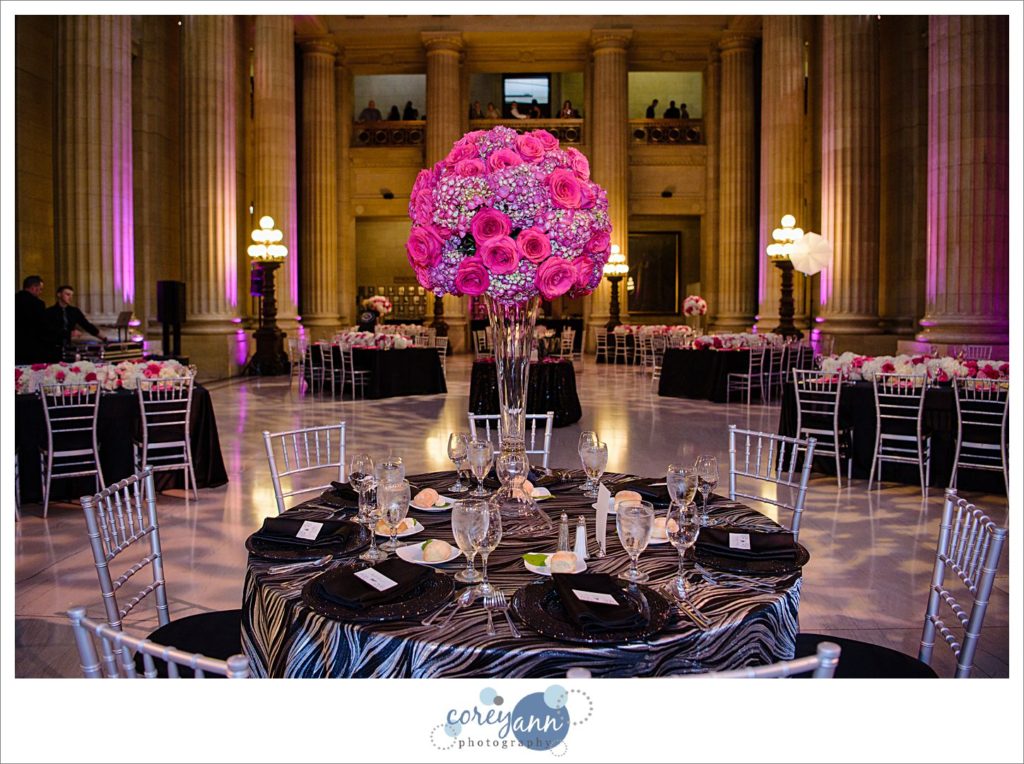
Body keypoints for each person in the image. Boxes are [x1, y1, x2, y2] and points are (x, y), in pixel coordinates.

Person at [46, 285, 107, 360]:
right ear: (59, 294)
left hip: (68, 347)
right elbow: (50, 330)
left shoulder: (74, 311)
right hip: (52, 348)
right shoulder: (49, 312)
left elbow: (87, 325)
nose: (70, 297)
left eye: (71, 295)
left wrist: (104, 337)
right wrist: (70, 333)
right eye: (67, 294)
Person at [15, 275, 54, 364]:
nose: (40, 292)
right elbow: (43, 326)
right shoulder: (37, 304)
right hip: (32, 348)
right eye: (40, 289)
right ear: (34, 288)